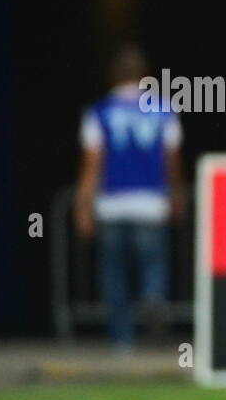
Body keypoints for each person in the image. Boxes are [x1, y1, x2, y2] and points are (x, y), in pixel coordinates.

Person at [74, 46, 183, 351]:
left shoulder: (99, 112)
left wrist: (83, 205)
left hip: (112, 203)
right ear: (144, 76)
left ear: (112, 76)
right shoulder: (163, 110)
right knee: (153, 261)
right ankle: (152, 296)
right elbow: (170, 160)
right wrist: (176, 195)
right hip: (151, 202)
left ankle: (122, 339)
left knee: (114, 273)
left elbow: (93, 163)